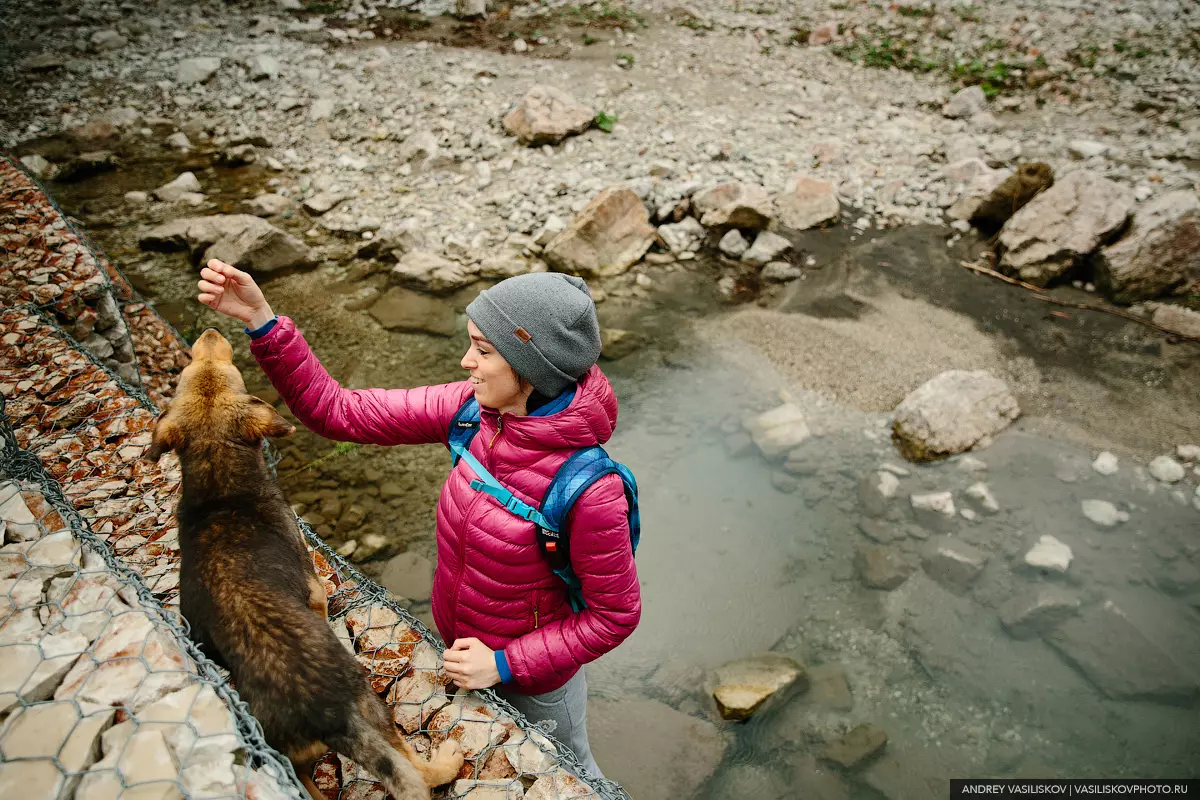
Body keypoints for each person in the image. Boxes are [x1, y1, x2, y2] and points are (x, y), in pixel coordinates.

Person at [197, 259, 640, 778]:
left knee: (573, 773)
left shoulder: (590, 490)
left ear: (532, 369)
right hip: (460, 649)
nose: (465, 361)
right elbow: (338, 411)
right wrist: (263, 323)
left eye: (483, 350)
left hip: (537, 684)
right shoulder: (471, 412)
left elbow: (614, 616)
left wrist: (503, 665)